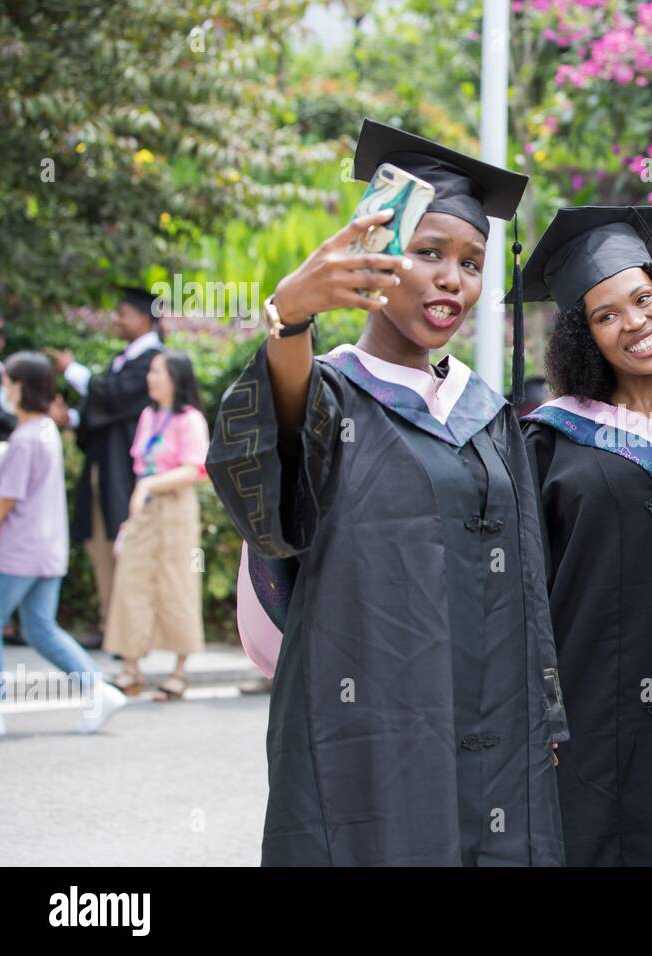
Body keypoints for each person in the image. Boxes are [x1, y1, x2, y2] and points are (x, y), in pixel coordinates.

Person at [205, 119, 567, 866]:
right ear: (374, 256)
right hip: (367, 724)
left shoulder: (488, 412)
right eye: (427, 252)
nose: (452, 280)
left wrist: (546, 715)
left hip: (497, 723)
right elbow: (264, 479)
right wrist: (288, 318)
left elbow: (529, 578)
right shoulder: (331, 392)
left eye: (471, 261)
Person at [513, 205, 652, 866]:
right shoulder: (551, 437)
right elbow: (525, 586)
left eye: (645, 298)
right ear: (584, 337)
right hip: (590, 717)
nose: (635, 322)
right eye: (607, 315)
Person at [0, 352, 128, 735]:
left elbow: (5, 502)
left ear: (21, 388)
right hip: (46, 551)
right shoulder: (46, 432)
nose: (3, 390)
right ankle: (97, 688)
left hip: (17, 552)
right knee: (40, 627)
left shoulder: (24, 440)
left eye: (7, 383)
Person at [47, 289, 164, 636]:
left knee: (125, 549)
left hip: (127, 477)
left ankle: (132, 632)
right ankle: (111, 626)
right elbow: (100, 410)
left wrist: (72, 371)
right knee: (101, 546)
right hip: (103, 469)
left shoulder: (154, 361)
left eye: (124, 313)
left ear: (144, 319)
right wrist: (69, 418)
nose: (118, 319)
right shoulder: (124, 360)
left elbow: (112, 398)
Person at [103, 350, 209, 701]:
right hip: (145, 508)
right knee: (130, 579)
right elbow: (141, 467)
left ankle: (179, 672)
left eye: (157, 372)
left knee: (178, 583)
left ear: (175, 378)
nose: (150, 378)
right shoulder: (149, 415)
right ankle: (130, 668)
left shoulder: (191, 419)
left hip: (176, 509)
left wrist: (149, 486)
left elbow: (194, 470)